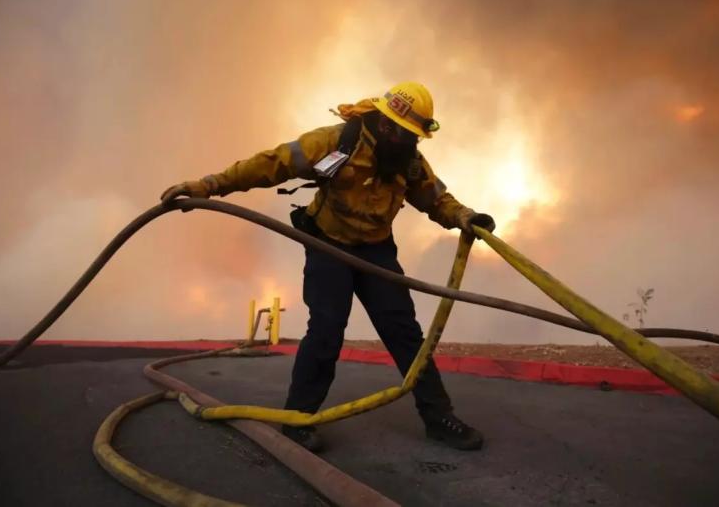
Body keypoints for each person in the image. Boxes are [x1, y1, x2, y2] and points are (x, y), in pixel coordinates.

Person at [161, 82, 495, 452]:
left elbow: (437, 200)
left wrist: (464, 216)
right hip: (328, 245)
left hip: (375, 252)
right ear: (385, 124)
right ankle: (299, 420)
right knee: (326, 330)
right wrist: (209, 185)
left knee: (405, 334)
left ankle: (439, 418)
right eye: (405, 134)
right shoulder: (336, 142)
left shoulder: (408, 159)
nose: (410, 143)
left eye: (415, 137)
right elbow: (271, 164)